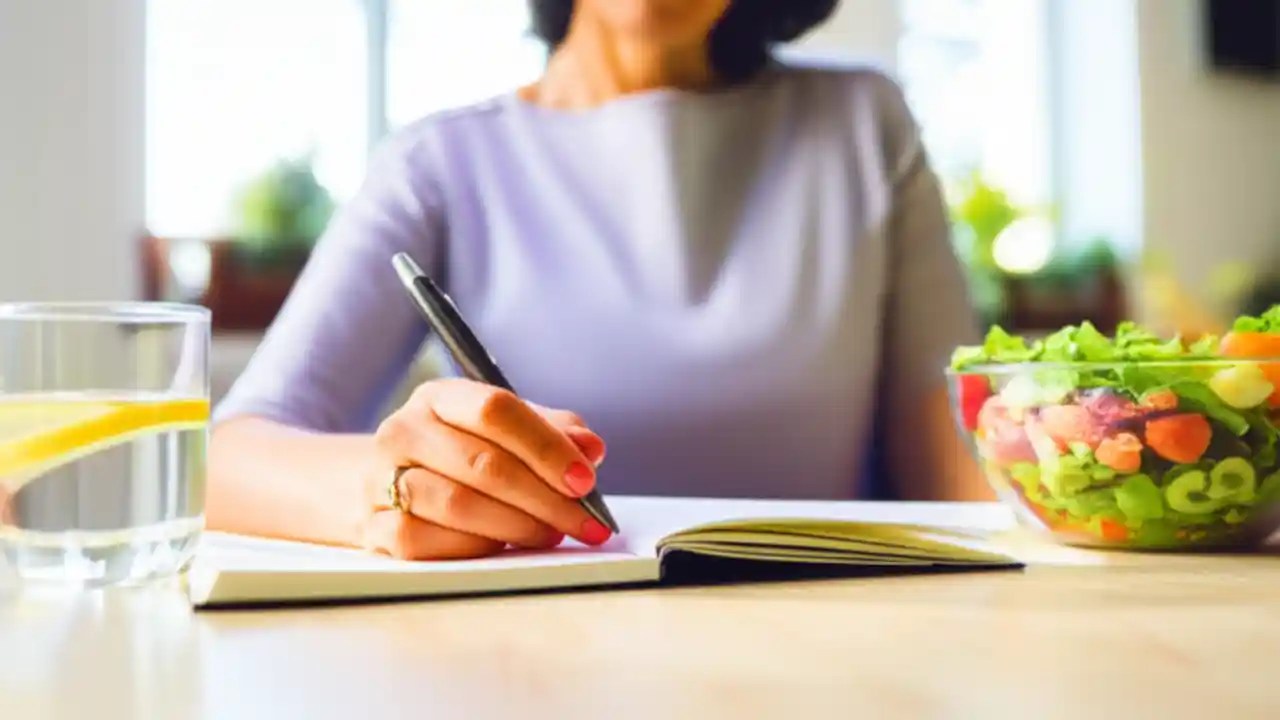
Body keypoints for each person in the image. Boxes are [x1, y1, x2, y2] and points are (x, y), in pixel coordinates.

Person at [208, 0, 992, 561]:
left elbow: (955, 473)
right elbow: (230, 463)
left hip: (842, 661)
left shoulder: (862, 122)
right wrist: (389, 487)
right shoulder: (439, 164)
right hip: (536, 667)